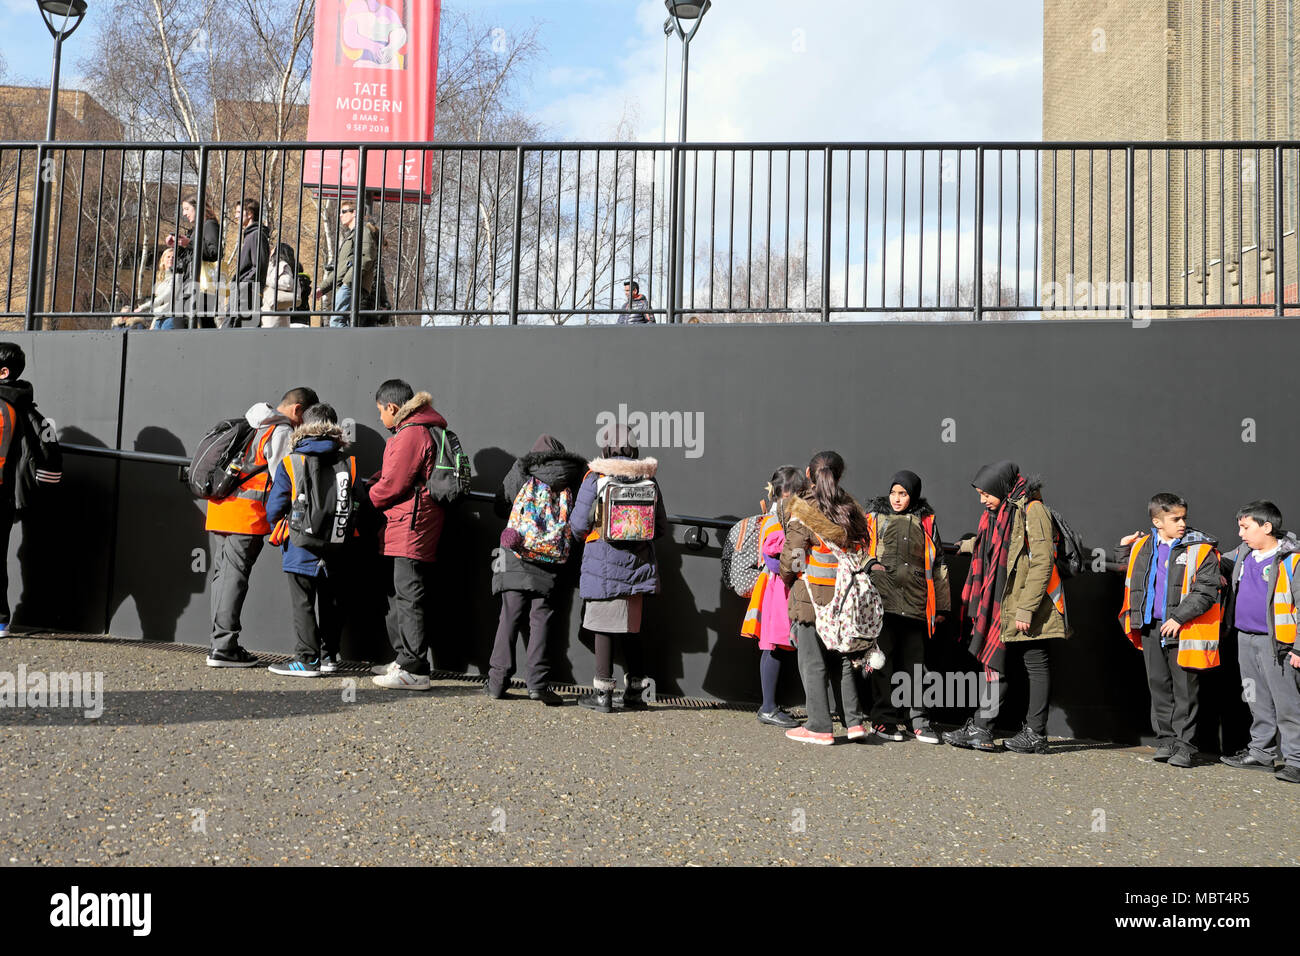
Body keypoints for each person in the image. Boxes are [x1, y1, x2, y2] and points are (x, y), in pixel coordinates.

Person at [944, 461, 1068, 754]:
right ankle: (982, 728)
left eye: (986, 493)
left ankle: (1036, 734)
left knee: (1035, 662)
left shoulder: (1033, 510)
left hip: (1028, 602)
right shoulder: (999, 513)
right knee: (994, 662)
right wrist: (970, 546)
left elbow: (1042, 561)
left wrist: (1026, 609)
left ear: (1002, 487)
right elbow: (999, 545)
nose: (982, 499)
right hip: (1002, 601)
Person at [204, 386, 319, 667]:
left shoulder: (253, 424)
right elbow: (285, 474)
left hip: (221, 509)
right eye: (305, 419)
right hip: (246, 515)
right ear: (297, 410)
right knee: (234, 579)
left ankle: (219, 643)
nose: (304, 426)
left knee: (222, 577)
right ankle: (224, 648)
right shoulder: (279, 431)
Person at [1115, 493, 1222, 769]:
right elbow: (1131, 575)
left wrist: (1178, 617)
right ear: (1157, 521)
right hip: (1151, 627)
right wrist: (1122, 550)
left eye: (1184, 517)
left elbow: (1207, 591)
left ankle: (1185, 746)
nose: (1183, 523)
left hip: (1185, 629)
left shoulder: (1200, 549)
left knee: (1185, 689)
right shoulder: (1143, 546)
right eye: (1176, 518)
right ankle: (1165, 741)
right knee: (1159, 686)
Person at [779, 451, 877, 745]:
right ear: (839, 474)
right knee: (843, 659)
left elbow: (794, 556)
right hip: (846, 597)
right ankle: (855, 723)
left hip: (811, 596)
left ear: (808, 475)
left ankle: (819, 726)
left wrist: (787, 578)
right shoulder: (851, 508)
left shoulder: (803, 508)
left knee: (812, 661)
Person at [570, 427, 668, 713]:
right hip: (637, 567)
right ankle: (635, 693)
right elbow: (660, 527)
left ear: (605, 450)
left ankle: (602, 696)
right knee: (631, 629)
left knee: (603, 628)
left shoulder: (595, 478)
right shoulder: (648, 479)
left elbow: (577, 527)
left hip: (602, 563)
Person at [487, 434, 588, 704]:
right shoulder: (573, 476)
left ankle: (497, 682)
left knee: (509, 617)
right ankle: (538, 685)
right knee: (541, 619)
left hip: (516, 553)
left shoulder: (522, 469)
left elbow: (500, 505)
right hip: (550, 557)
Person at [367, 380, 447, 690]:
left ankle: (415, 668)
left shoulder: (411, 432)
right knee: (401, 594)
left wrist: (367, 499)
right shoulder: (421, 428)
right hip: (410, 523)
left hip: (411, 525)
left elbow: (394, 484)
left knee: (409, 595)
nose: (380, 419)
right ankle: (404, 660)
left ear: (392, 407)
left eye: (379, 412)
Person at [264, 403, 355, 678]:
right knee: (332, 602)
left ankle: (305, 659)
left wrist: (281, 526)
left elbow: (274, 508)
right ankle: (329, 657)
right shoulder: (348, 462)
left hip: (300, 545)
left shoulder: (291, 461)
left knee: (303, 602)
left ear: (303, 427)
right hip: (338, 545)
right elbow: (361, 500)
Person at [864, 469, 951, 744]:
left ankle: (919, 722)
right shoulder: (875, 518)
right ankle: (884, 721)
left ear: (912, 495)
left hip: (915, 605)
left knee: (916, 666)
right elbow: (859, 548)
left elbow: (938, 565)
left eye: (903, 494)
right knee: (882, 663)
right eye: (893, 493)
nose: (897, 499)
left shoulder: (926, 521)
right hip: (883, 603)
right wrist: (869, 566)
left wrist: (942, 608)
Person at [1219, 501, 1300, 784]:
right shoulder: (1243, 553)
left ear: (1267, 527)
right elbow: (1213, 559)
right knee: (1257, 700)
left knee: (1287, 704)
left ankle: (1296, 760)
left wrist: (1299, 646)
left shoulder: (1292, 559)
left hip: (1277, 645)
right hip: (1245, 638)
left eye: (1245, 527)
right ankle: (1261, 754)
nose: (1240, 534)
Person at [0, 343, 61, 638]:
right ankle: (0, 620)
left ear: (2, 372)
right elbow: (50, 448)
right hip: (8, 495)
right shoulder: (32, 411)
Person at [740, 466, 807, 729]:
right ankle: (768, 706)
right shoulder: (776, 520)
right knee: (774, 645)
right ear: (788, 492)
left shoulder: (778, 516)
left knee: (775, 645)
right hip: (778, 587)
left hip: (779, 587)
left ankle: (769, 705)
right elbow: (777, 561)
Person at [316, 199, 378, 328]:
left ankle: (341, 348)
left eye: (344, 211)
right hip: (348, 285)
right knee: (345, 323)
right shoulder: (352, 234)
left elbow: (366, 258)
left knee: (337, 322)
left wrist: (348, 281)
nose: (340, 215)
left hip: (352, 285)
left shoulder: (363, 232)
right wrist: (323, 288)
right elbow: (340, 269)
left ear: (354, 213)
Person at [168, 193, 221, 329]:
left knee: (186, 322)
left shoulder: (209, 225)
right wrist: (177, 244)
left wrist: (189, 243)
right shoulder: (195, 229)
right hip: (190, 284)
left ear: (197, 208)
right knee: (200, 323)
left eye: (186, 209)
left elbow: (214, 252)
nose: (184, 214)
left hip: (201, 284)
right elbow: (188, 257)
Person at [231, 198, 270, 327]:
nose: (235, 216)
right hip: (245, 291)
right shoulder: (250, 235)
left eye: (238, 212)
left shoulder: (256, 235)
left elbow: (259, 265)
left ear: (250, 214)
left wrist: (244, 283)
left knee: (243, 332)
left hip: (248, 292)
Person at [261, 242, 300, 328]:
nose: (271, 251)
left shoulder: (282, 265)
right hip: (275, 314)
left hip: (275, 317)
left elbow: (287, 284)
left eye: (274, 250)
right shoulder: (276, 265)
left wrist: (265, 280)